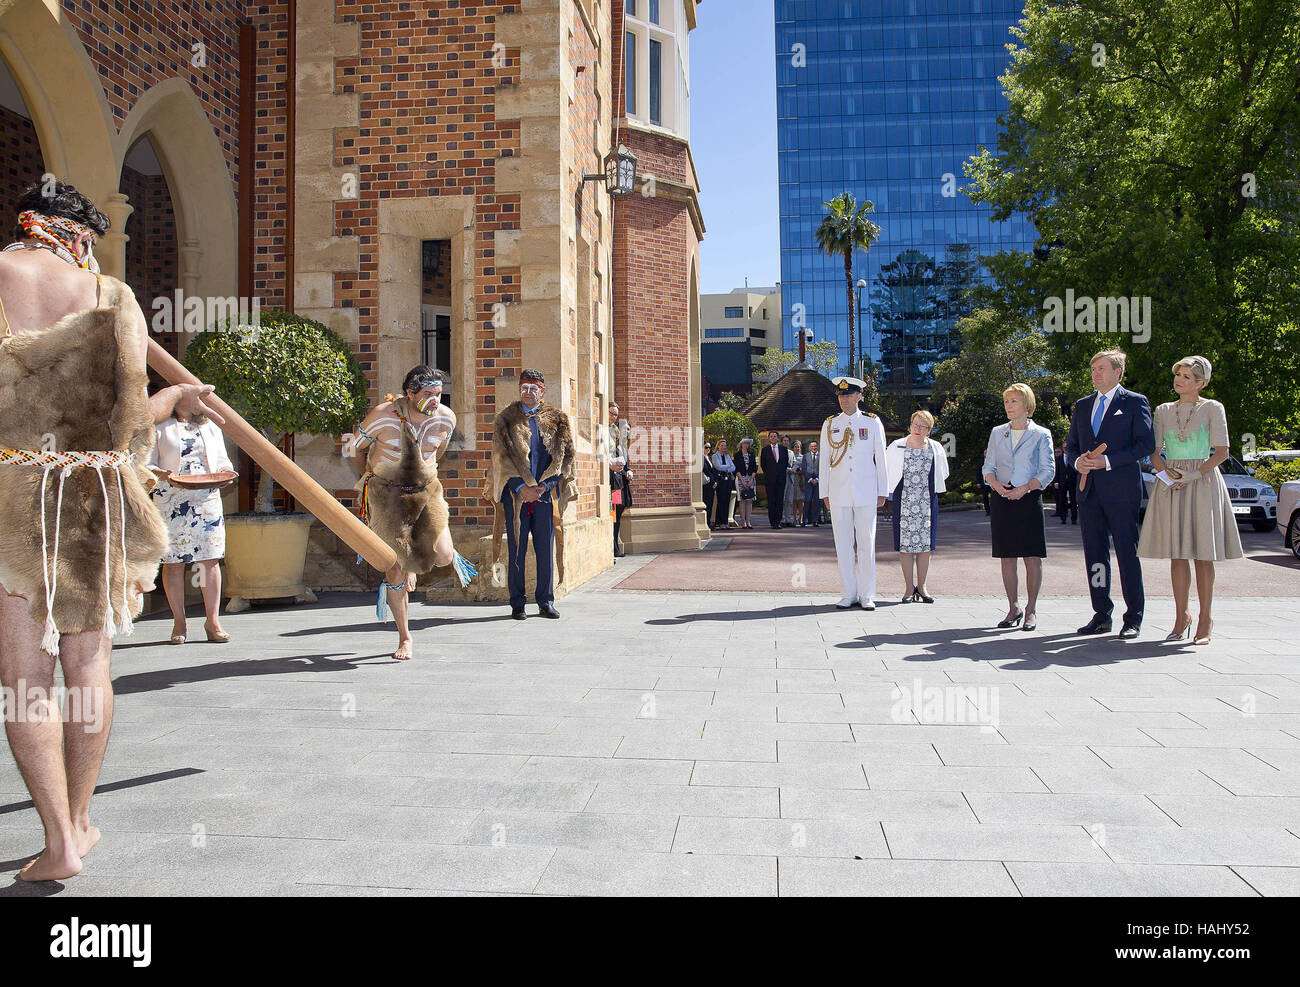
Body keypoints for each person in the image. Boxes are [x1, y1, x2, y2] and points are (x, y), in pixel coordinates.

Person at [0, 180, 220, 881]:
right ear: (82, 238)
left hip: (13, 486)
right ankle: (83, 821)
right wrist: (176, 397)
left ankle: (59, 838)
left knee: (21, 673)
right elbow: (129, 422)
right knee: (86, 662)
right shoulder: (111, 297)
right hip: (90, 494)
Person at [351, 366, 473, 660]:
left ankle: (412, 564)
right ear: (409, 393)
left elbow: (437, 451)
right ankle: (405, 638)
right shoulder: (382, 415)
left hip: (426, 491)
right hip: (386, 495)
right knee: (393, 568)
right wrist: (370, 477)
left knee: (443, 556)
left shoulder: (446, 417)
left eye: (439, 393)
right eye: (428, 394)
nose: (435, 400)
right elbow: (355, 449)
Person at [1137, 356, 1243, 645]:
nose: (1179, 380)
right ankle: (1181, 616)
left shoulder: (1212, 408)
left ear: (1200, 382)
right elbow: (1154, 452)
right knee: (1177, 553)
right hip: (1172, 483)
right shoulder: (1162, 410)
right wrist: (1168, 474)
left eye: (1186, 376)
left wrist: (1193, 474)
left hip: (1203, 483)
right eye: (1178, 375)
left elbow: (1221, 452)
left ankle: (1206, 616)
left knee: (1203, 554)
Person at [1065, 348, 1155, 639]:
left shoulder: (1134, 403)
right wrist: (1078, 461)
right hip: (1089, 492)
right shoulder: (1082, 405)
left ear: (1118, 372)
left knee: (1127, 553)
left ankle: (1133, 618)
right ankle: (1102, 614)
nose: (1096, 374)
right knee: (1095, 555)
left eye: (1102, 368)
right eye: (1093, 369)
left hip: (1122, 491)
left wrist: (1108, 460)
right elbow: (1072, 446)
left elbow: (1145, 445)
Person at [489, 369, 576, 620]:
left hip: (545, 496)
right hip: (516, 496)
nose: (528, 392)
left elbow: (566, 458)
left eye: (533, 388)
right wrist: (521, 487)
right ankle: (517, 603)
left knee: (545, 549)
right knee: (516, 549)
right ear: (519, 389)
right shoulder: (505, 419)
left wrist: (544, 487)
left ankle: (545, 601)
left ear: (542, 391)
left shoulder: (557, 418)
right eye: (524, 387)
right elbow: (500, 459)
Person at [148, 410, 236, 645]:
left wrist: (226, 473)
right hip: (170, 499)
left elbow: (222, 461)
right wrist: (161, 473)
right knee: (174, 562)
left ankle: (213, 621)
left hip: (206, 499)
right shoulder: (158, 424)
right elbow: (146, 463)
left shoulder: (210, 425)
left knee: (210, 559)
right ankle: (179, 621)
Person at [983, 384, 1057, 631]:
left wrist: (1025, 488)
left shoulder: (1041, 434)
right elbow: (988, 466)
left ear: (1027, 404)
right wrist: (995, 484)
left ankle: (1031, 609)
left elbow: (1048, 470)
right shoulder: (997, 433)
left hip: (1028, 498)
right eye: (1006, 402)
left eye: (1014, 401)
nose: (1009, 406)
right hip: (1002, 497)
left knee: (1032, 557)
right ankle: (1013, 606)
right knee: (1006, 556)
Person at [820, 376, 889, 609]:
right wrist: (824, 492)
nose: (844, 400)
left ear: (859, 396)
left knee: (866, 541)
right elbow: (824, 461)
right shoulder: (830, 423)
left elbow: (881, 457)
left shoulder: (872, 422)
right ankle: (848, 593)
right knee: (843, 543)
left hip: (865, 491)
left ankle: (867, 593)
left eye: (849, 395)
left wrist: (883, 490)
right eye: (841, 396)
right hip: (839, 491)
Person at [886, 410, 950, 604]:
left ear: (929, 429)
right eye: (915, 424)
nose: (917, 429)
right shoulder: (897, 445)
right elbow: (887, 471)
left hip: (927, 502)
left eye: (922, 426)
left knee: (925, 547)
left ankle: (922, 587)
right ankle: (908, 589)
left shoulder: (936, 447)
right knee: (905, 547)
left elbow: (943, 472)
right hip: (903, 501)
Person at [608, 401, 633, 557]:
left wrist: (628, 470)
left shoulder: (621, 442)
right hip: (613, 481)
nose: (614, 417)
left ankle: (615, 545)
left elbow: (624, 460)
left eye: (616, 414)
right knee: (613, 513)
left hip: (620, 482)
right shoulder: (609, 434)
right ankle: (613, 547)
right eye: (611, 413)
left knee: (618, 510)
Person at [761, 429, 789, 529]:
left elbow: (785, 463)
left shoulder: (783, 449)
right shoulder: (765, 450)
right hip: (770, 480)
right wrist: (770, 475)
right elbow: (763, 465)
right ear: (769, 438)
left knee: (780, 501)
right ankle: (772, 522)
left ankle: (778, 521)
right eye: (771, 436)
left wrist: (780, 474)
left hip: (781, 479)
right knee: (771, 501)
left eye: (775, 436)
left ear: (777, 438)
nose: (773, 438)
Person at [710, 438, 735, 530]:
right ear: (718, 447)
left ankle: (725, 522)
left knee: (726, 501)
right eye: (722, 445)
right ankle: (720, 522)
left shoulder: (727, 456)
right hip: (720, 480)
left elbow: (734, 467)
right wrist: (729, 467)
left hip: (728, 480)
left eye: (725, 445)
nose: (724, 447)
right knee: (721, 501)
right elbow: (718, 467)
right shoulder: (714, 456)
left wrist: (727, 468)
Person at [734, 435, 757, 528]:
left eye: (747, 443)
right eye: (744, 443)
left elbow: (755, 468)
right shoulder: (737, 455)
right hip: (740, 478)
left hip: (750, 479)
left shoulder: (752, 454)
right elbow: (736, 469)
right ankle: (743, 522)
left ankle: (748, 521)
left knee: (749, 500)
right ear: (741, 444)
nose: (746, 445)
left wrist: (751, 479)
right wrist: (742, 481)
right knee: (742, 500)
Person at [1053, 444, 1078, 524]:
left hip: (1072, 482)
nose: (1066, 449)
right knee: (1062, 501)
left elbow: (1077, 471)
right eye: (1064, 447)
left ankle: (1074, 519)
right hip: (1062, 482)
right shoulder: (1059, 459)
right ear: (1062, 448)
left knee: (1073, 501)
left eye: (1067, 447)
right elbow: (1056, 471)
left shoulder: (1073, 458)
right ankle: (1063, 518)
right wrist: (1056, 481)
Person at [802, 440, 822, 526]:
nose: (814, 448)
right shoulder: (805, 456)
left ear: (817, 447)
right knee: (807, 501)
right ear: (809, 447)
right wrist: (810, 479)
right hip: (808, 481)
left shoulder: (821, 456)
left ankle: (815, 521)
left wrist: (817, 479)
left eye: (815, 446)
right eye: (812, 446)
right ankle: (804, 520)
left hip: (818, 481)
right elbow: (804, 469)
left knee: (816, 502)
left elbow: (822, 469)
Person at [786, 439, 805, 526]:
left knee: (800, 501)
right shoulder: (790, 455)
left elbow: (805, 468)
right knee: (793, 500)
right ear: (793, 448)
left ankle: (800, 518)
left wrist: (799, 471)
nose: (797, 448)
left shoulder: (803, 457)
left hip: (800, 480)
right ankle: (793, 518)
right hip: (792, 479)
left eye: (799, 447)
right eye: (796, 447)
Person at [701, 440, 717, 528]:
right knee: (706, 503)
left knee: (710, 504)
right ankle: (705, 523)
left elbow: (713, 471)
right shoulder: (701, 458)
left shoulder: (708, 457)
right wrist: (713, 481)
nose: (708, 449)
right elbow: (706, 470)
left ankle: (709, 522)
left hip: (711, 484)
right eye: (706, 447)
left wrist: (715, 482)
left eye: (709, 448)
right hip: (706, 484)